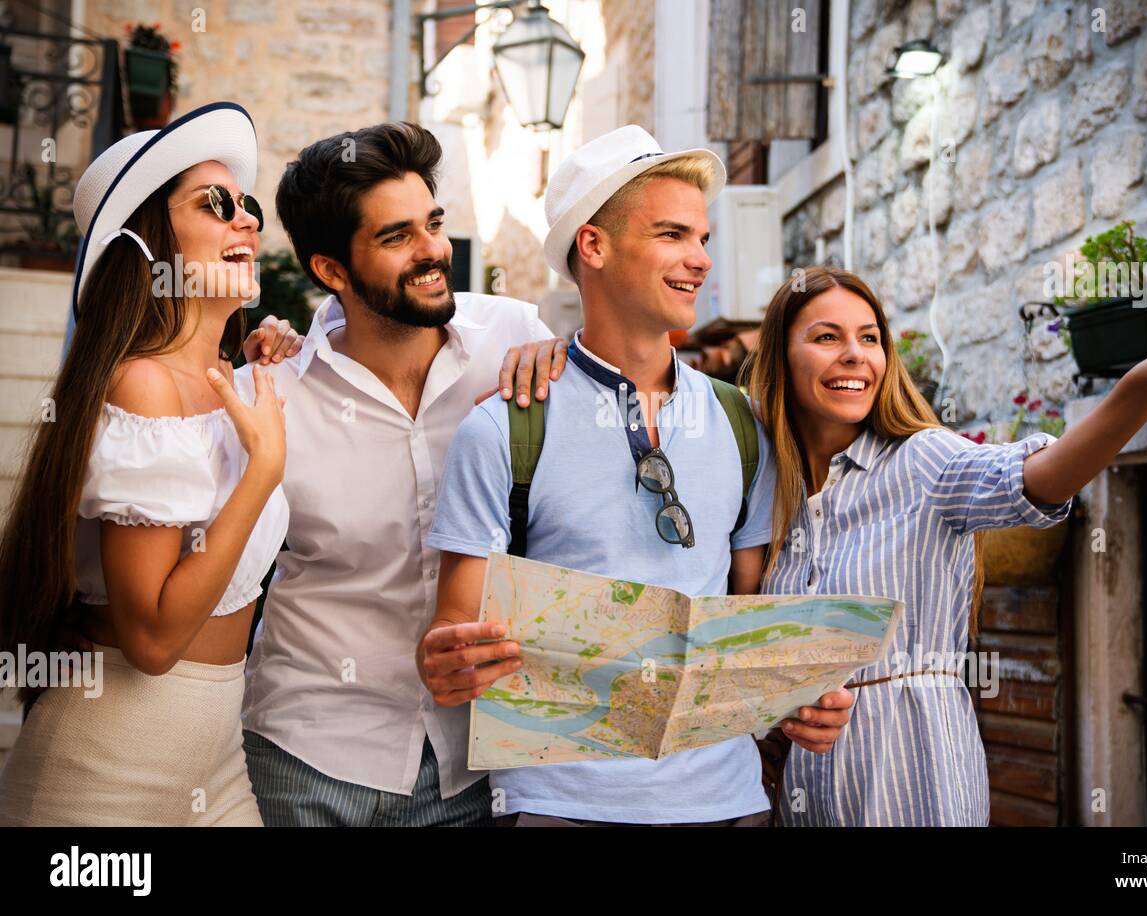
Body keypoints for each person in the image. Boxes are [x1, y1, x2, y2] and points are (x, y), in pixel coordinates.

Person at [418, 125, 854, 827]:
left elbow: (746, 624)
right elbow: (452, 636)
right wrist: (449, 662)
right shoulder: (500, 428)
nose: (700, 260)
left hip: (729, 803)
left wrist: (796, 693)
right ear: (593, 245)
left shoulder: (743, 424)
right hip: (559, 806)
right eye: (674, 235)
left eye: (703, 239)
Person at [742, 266, 1147, 826]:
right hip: (805, 795)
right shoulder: (771, 496)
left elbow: (1042, 477)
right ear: (782, 357)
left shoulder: (923, 461)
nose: (856, 354)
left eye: (870, 337)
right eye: (827, 336)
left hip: (911, 780)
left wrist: (1141, 385)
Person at [236, 121, 567, 826]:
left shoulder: (518, 340)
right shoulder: (271, 393)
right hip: (311, 759)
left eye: (434, 224)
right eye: (397, 238)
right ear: (331, 271)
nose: (434, 252)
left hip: (479, 760)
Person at [0, 102, 289, 826]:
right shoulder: (144, 384)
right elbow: (154, 641)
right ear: (150, 248)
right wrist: (260, 473)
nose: (246, 221)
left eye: (245, 206)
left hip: (219, 759)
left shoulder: (230, 380)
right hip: (105, 771)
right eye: (214, 205)